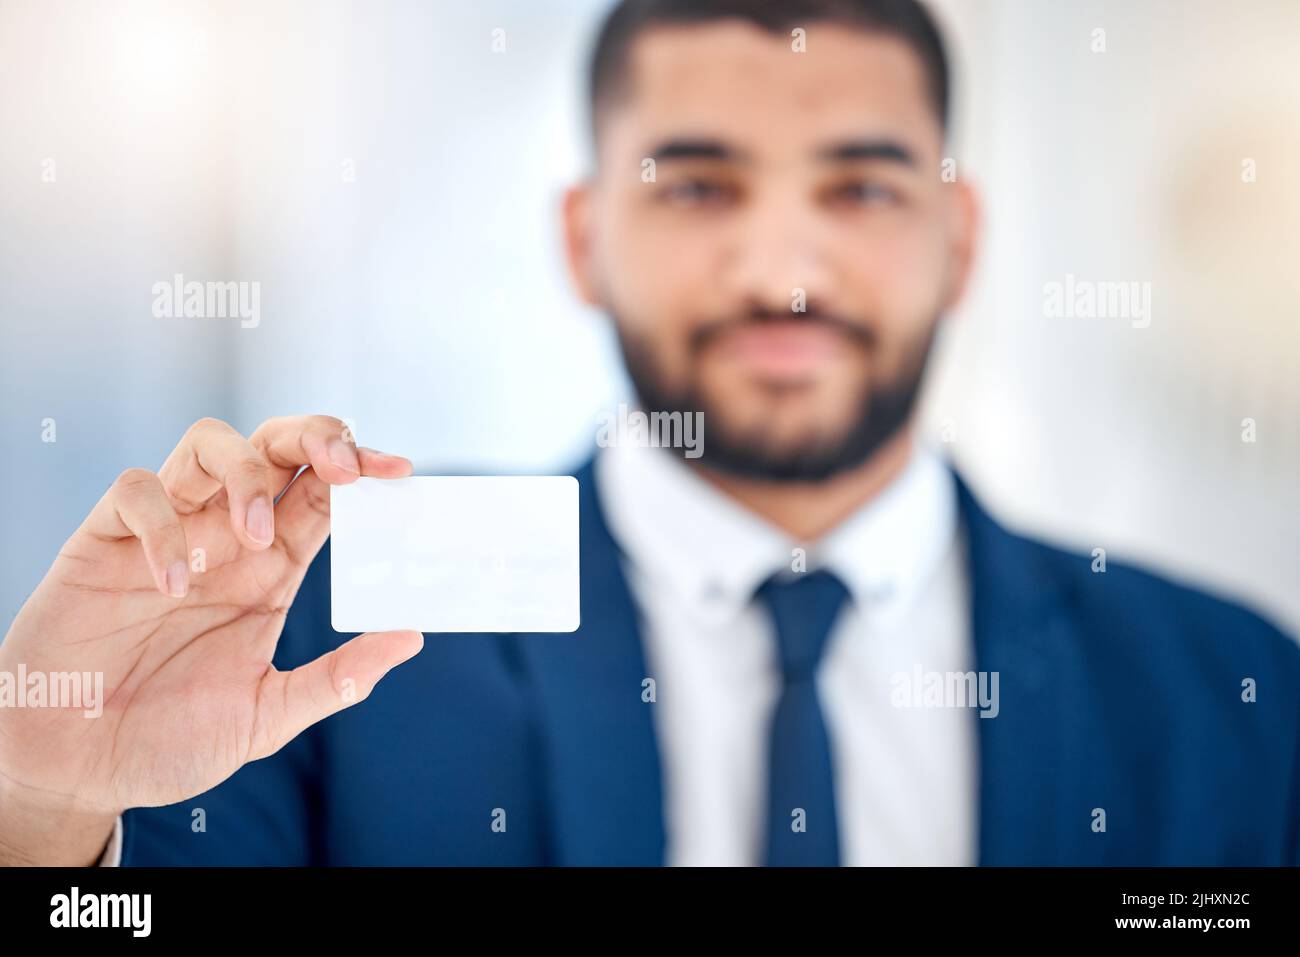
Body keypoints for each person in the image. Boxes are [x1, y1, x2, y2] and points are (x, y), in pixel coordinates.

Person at [1, 0, 1296, 867]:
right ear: (582, 238)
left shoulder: (1231, 694)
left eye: (860, 185)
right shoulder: (327, 619)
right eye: (699, 184)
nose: (782, 264)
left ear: (959, 242)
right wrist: (44, 808)